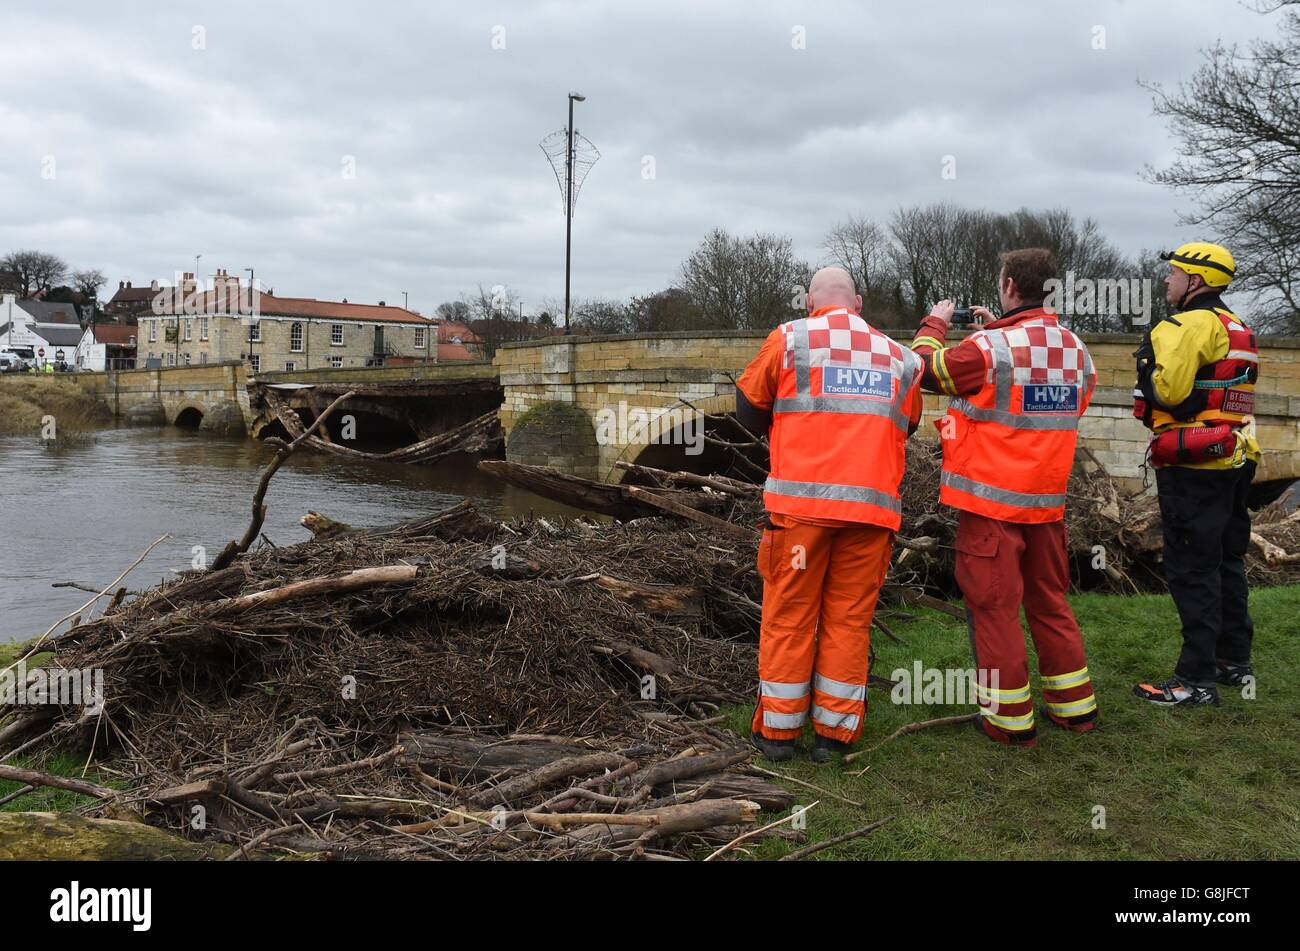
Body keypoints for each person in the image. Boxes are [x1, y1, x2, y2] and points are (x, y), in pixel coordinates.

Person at [911, 249, 1099, 748]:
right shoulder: (1077, 349)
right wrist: (998, 334)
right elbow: (1065, 403)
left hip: (991, 508)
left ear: (1011, 285)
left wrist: (935, 322)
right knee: (1049, 601)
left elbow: (928, 371)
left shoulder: (989, 348)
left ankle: (1008, 720)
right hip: (1046, 505)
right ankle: (1075, 709)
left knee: (994, 608)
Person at [736, 267, 923, 763]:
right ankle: (832, 737)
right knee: (848, 621)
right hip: (869, 515)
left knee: (790, 618)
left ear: (809, 300)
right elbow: (910, 423)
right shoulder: (900, 358)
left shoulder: (790, 339)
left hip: (801, 515)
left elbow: (748, 409)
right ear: (858, 303)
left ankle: (778, 735)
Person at [1131, 242, 1259, 707]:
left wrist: (1145, 360)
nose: (1167, 279)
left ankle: (1194, 679)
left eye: (1175, 273)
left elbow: (1168, 390)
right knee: (1226, 559)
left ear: (1196, 281)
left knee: (1191, 568)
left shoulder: (1186, 324)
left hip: (1195, 464)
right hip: (1238, 455)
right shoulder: (1238, 325)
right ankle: (1231, 660)